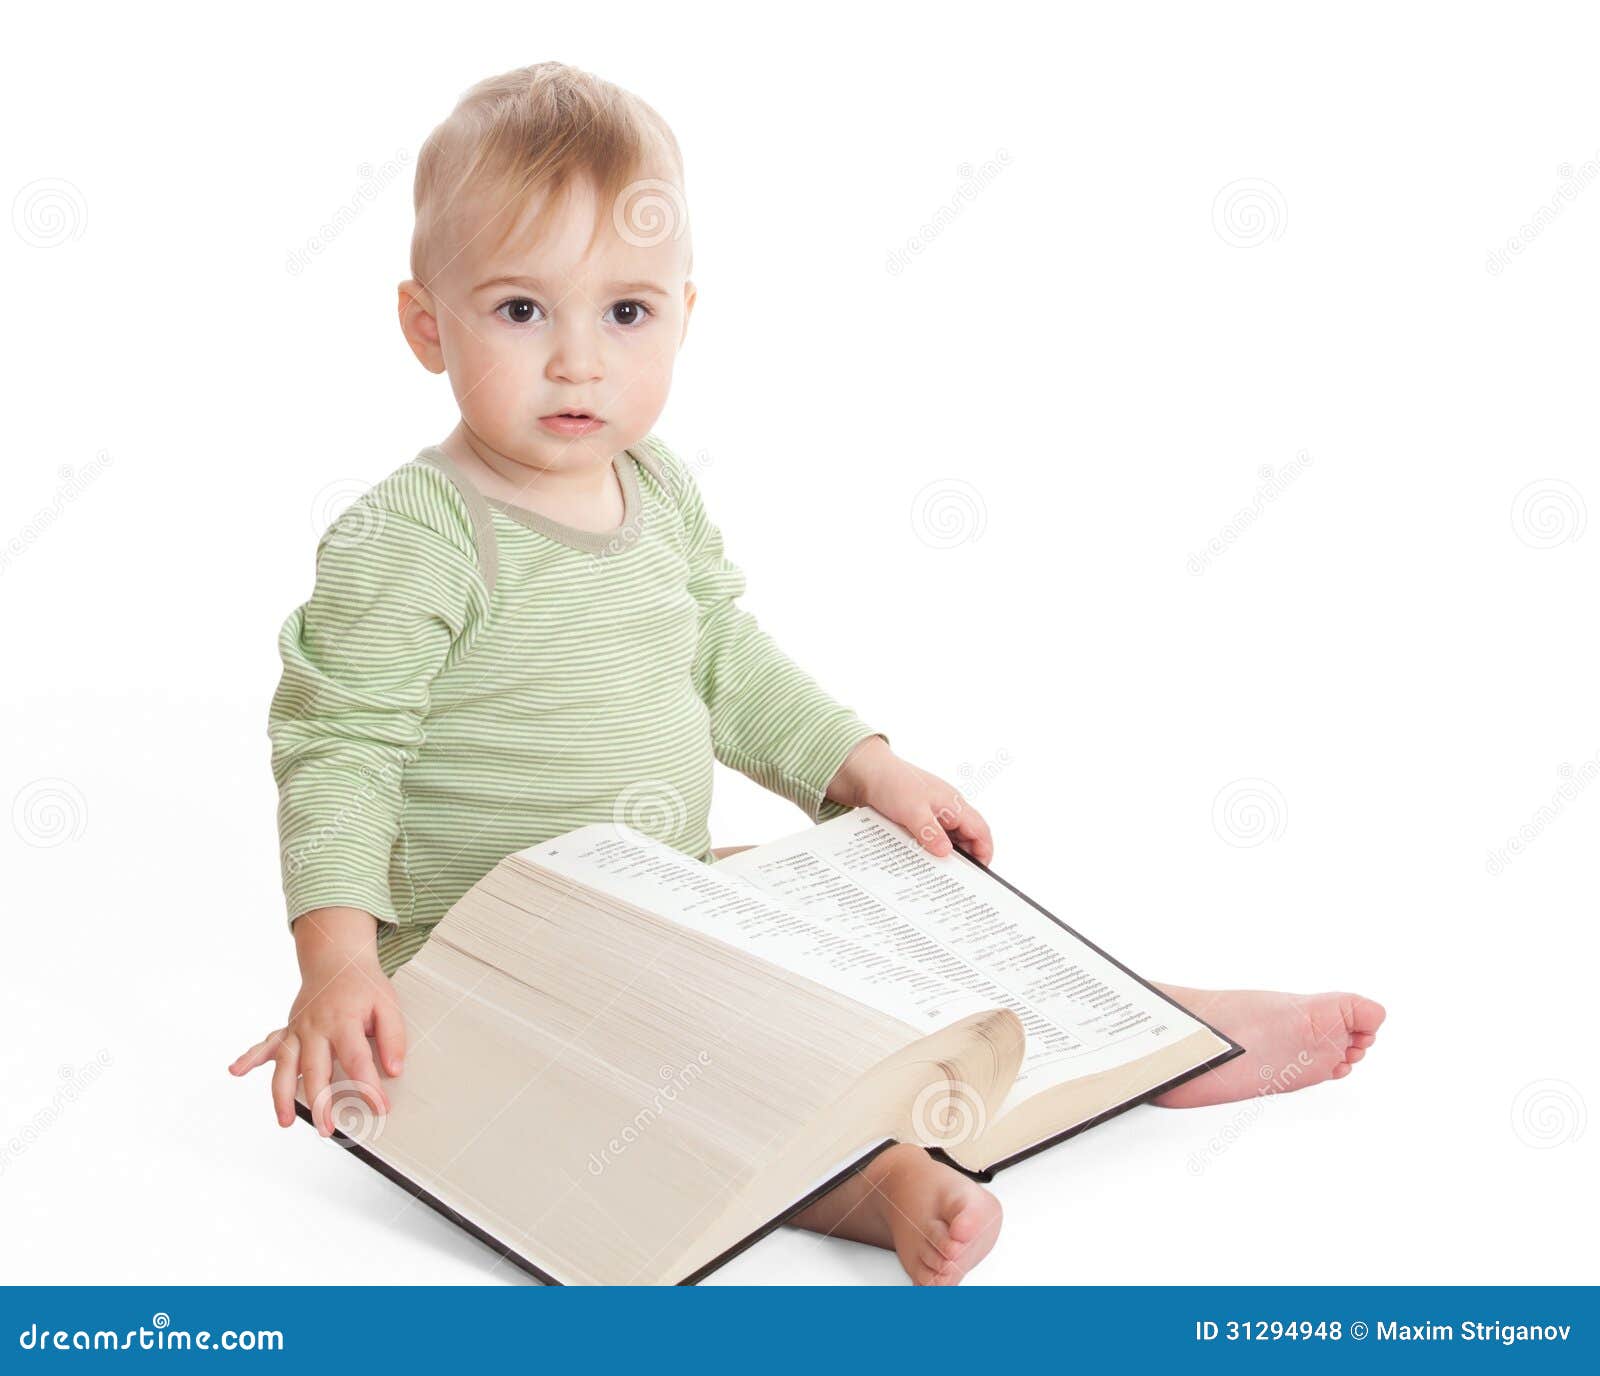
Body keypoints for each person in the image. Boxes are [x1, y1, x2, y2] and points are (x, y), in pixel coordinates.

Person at [230, 61, 1384, 1286]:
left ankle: (1146, 1026)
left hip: (667, 887)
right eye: (522, 311)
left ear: (683, 309)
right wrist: (339, 965)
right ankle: (883, 1182)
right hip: (487, 954)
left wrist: (859, 762)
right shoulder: (415, 536)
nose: (578, 362)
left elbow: (725, 657)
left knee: (895, 924)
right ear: (428, 323)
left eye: (624, 314)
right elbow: (336, 749)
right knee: (705, 1074)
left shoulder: (657, 486)